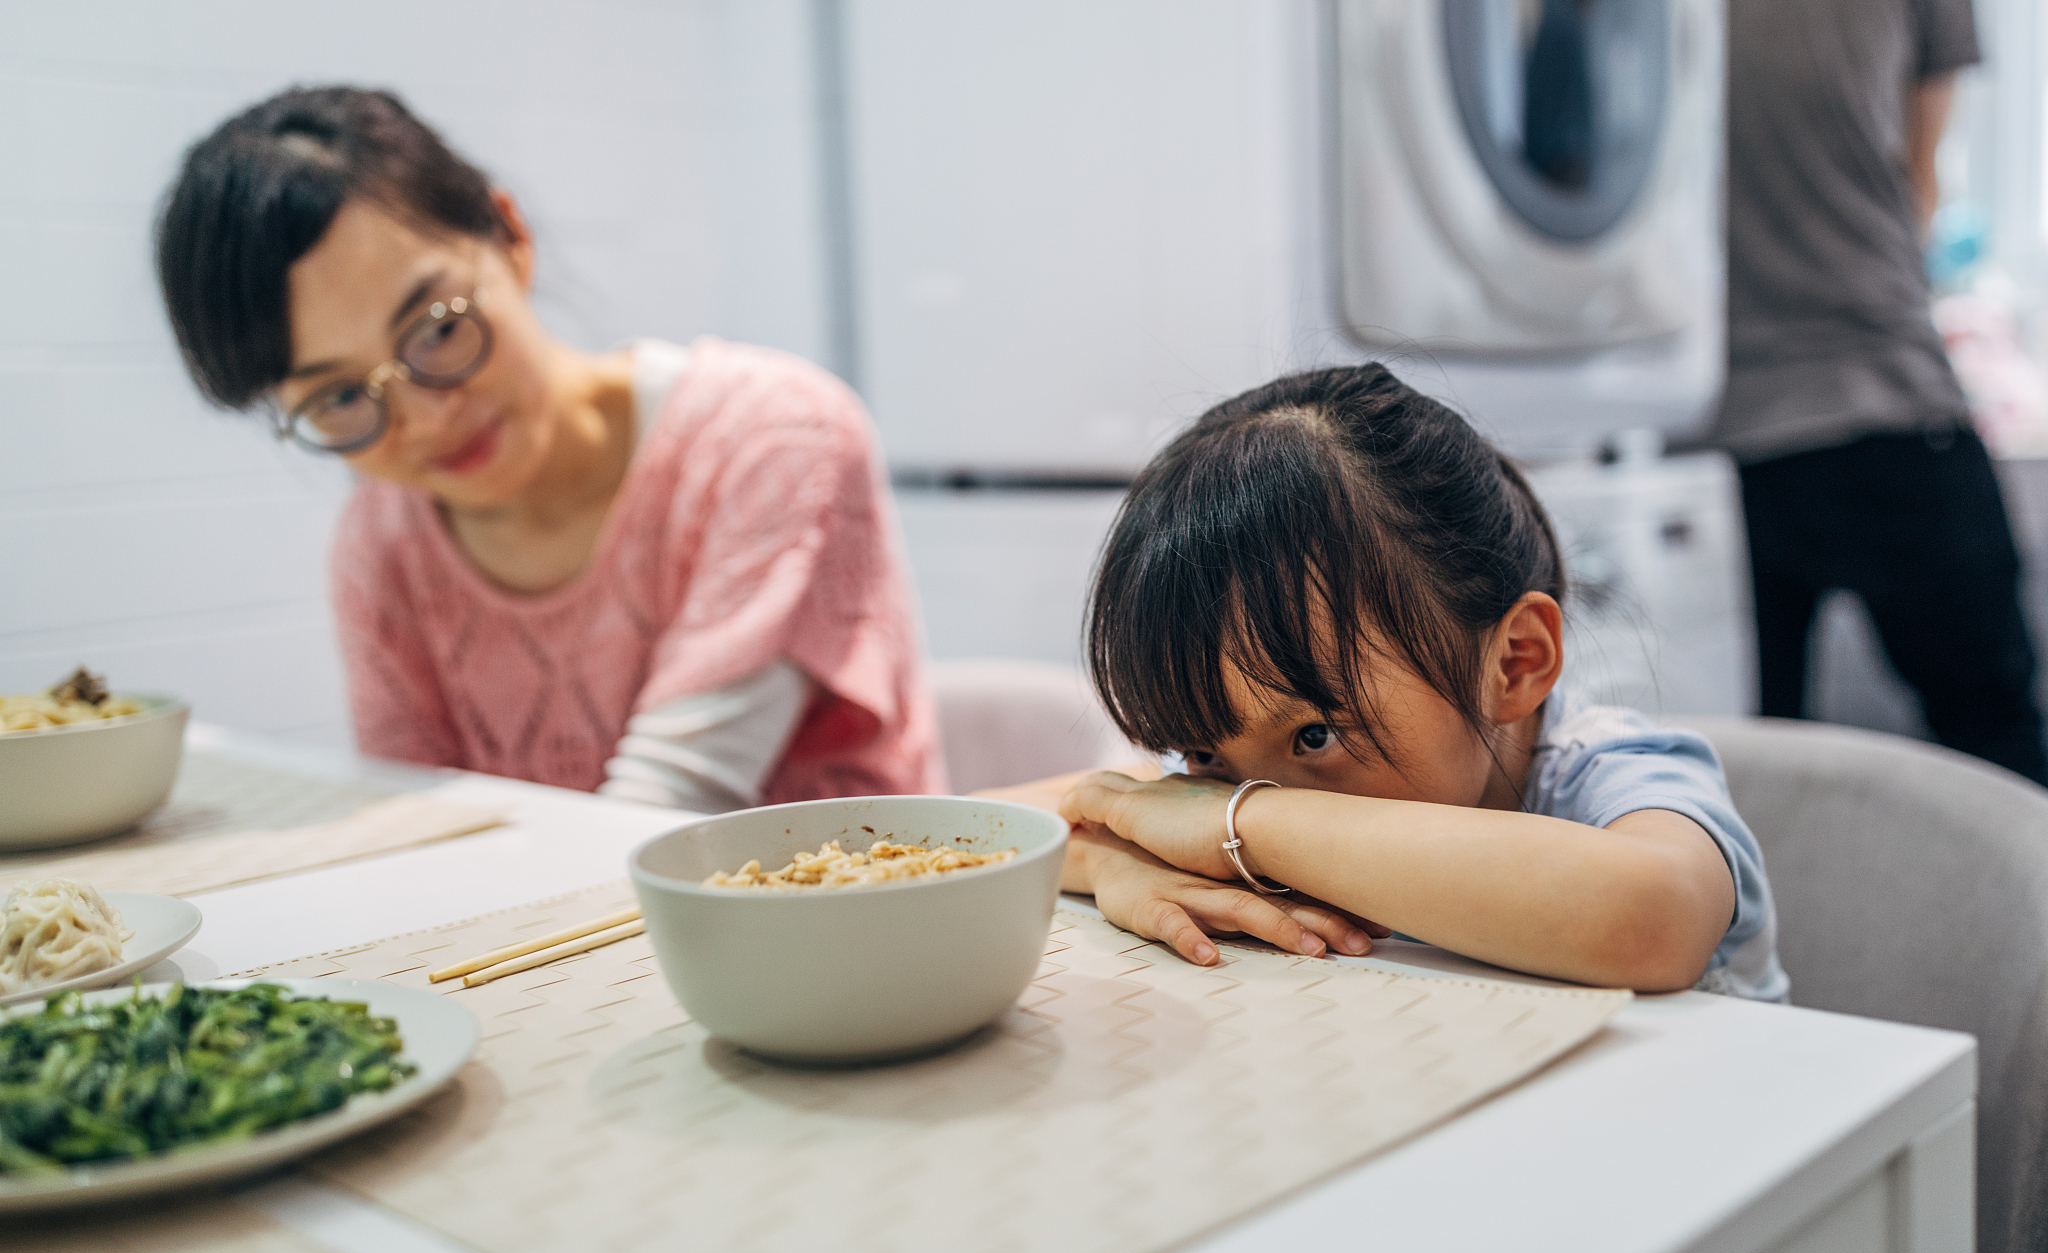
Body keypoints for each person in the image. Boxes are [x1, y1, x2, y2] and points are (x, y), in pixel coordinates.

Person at [154, 87, 944, 809]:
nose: (426, 417)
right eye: (339, 398)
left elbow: (671, 806)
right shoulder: (382, 544)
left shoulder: (772, 437)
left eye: (438, 329)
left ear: (511, 237)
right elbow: (417, 827)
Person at [991, 366, 1787, 1000]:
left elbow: (1654, 917)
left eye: (1314, 735)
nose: (1238, 790)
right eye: (1202, 755)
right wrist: (1115, 862)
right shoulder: (1227, 786)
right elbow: (984, 826)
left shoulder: (1608, 773)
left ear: (1514, 662)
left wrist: (1241, 824)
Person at [1714, 0, 2047, 784]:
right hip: (1880, 391)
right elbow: (1918, 183)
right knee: (1998, 749)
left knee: (1722, 775)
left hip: (1709, 427)